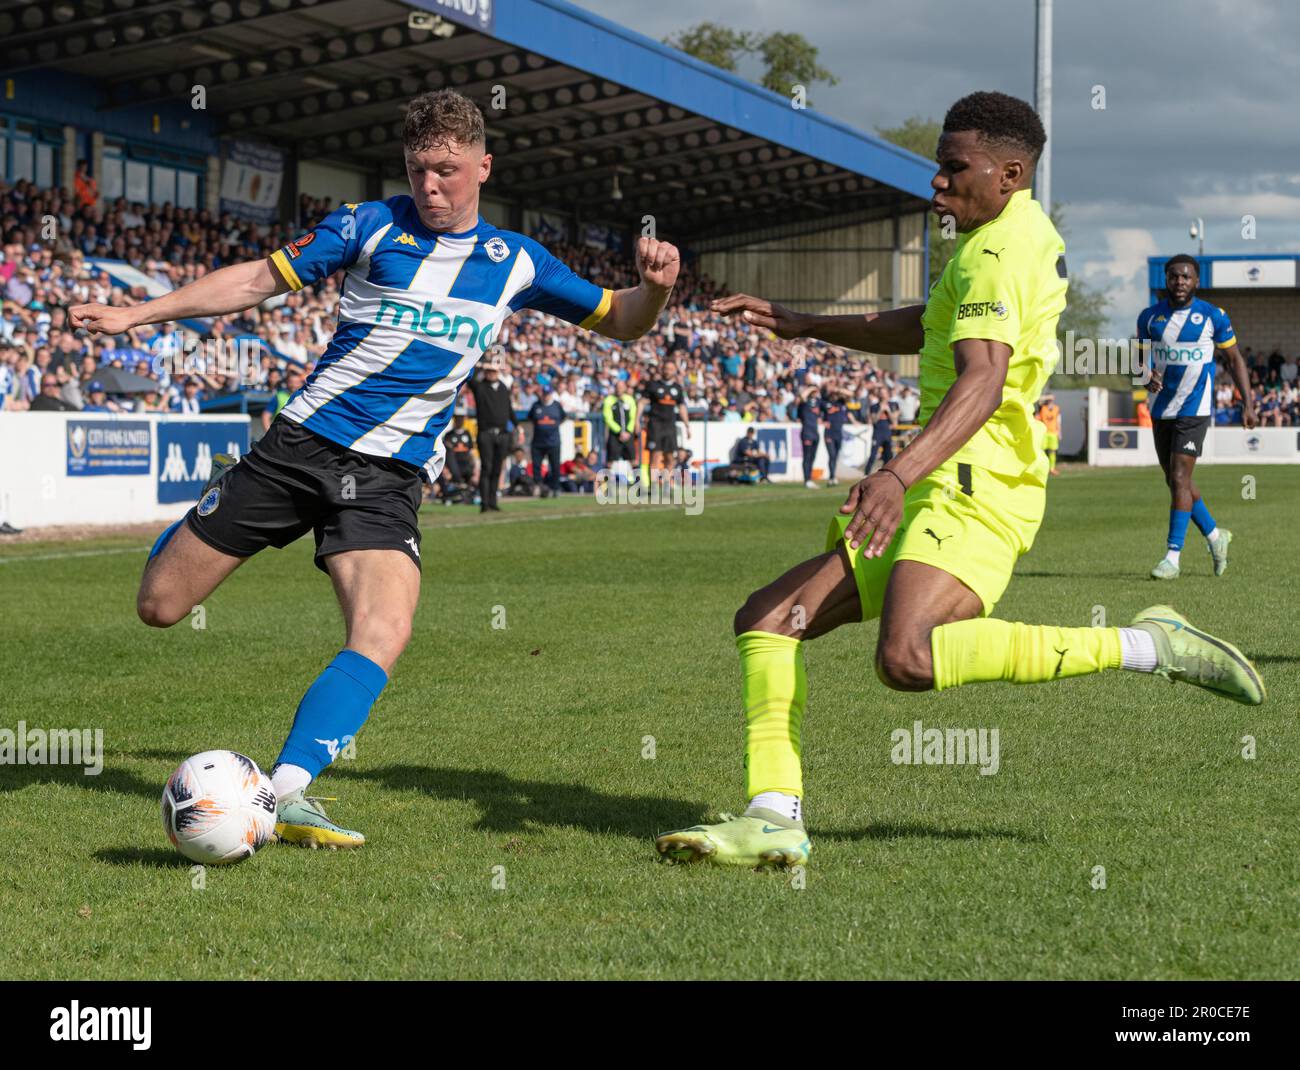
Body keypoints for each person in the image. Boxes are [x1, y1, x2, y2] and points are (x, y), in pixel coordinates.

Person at [656, 91, 1263, 869]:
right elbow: (921, 326)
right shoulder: (1004, 235)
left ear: (1009, 171)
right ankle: (773, 817)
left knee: (906, 657)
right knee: (770, 619)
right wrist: (806, 322)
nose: (936, 184)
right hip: (946, 472)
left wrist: (896, 476)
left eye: (953, 168)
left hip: (978, 481)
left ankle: (1148, 645)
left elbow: (982, 381)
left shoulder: (998, 252)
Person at [69, 88, 680, 849]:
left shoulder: (518, 262)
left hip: (388, 479)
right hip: (299, 448)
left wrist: (653, 290)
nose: (431, 186)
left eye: (448, 171)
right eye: (419, 170)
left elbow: (621, 320)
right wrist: (138, 312)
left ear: (483, 167)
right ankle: (205, 514)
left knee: (385, 628)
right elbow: (258, 280)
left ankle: (287, 793)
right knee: (159, 606)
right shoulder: (366, 226)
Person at [1138, 254, 1254, 580]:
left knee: (1178, 479)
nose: (1179, 282)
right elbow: (1137, 361)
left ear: (1196, 281)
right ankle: (1217, 537)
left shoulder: (1213, 316)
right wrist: (1145, 377)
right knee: (1177, 482)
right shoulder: (1149, 318)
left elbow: (1234, 360)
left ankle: (1172, 558)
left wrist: (1248, 403)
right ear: (1166, 279)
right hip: (1162, 409)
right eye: (1174, 277)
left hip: (1195, 410)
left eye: (1186, 277)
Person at [466, 357, 512, 512]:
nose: (491, 373)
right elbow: (470, 376)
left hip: (502, 433)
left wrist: (517, 427)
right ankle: (484, 503)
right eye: (488, 371)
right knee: (487, 468)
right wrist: (481, 364)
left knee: (497, 469)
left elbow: (509, 409)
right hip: (486, 433)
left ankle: (493, 501)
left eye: (493, 370)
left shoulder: (503, 388)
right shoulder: (481, 388)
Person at [640, 358, 689, 473]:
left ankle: (666, 485)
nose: (668, 371)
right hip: (655, 425)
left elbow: (682, 407)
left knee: (670, 457)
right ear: (662, 370)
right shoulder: (653, 385)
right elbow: (642, 402)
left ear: (675, 371)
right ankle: (653, 488)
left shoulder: (677, 388)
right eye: (666, 369)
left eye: (671, 369)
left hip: (670, 426)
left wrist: (687, 425)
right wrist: (637, 420)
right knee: (655, 456)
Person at [528, 384, 565, 498]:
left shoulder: (557, 406)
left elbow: (563, 417)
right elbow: (531, 418)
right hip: (538, 442)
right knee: (537, 467)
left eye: (548, 394)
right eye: (544, 394)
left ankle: (555, 488)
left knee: (555, 466)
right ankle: (538, 487)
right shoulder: (536, 406)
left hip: (553, 442)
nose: (545, 396)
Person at [602, 379, 638, 484]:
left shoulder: (629, 400)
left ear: (625, 388)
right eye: (617, 387)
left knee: (633, 460)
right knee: (610, 461)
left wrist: (628, 431)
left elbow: (633, 416)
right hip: (614, 435)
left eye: (621, 387)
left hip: (628, 434)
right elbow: (607, 417)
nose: (619, 389)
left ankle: (639, 486)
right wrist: (618, 431)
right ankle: (606, 486)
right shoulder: (609, 400)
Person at [820, 388, 851, 486]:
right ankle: (831, 477)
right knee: (832, 455)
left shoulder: (841, 402)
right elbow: (816, 412)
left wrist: (839, 390)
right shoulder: (825, 402)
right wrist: (821, 421)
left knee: (835, 456)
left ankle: (833, 476)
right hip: (829, 433)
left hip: (838, 433)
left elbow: (850, 394)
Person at [794, 385, 821, 488]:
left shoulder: (817, 402)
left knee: (812, 457)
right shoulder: (804, 403)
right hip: (807, 432)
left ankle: (810, 478)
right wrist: (810, 388)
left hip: (815, 433)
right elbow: (802, 396)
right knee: (807, 456)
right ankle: (807, 480)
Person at [1036, 391, 1061, 475]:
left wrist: (1059, 432)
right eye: (1049, 398)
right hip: (1044, 433)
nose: (1050, 400)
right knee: (1041, 452)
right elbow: (1038, 400)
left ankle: (1052, 469)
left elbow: (1058, 420)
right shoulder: (1042, 407)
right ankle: (1041, 468)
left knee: (1052, 451)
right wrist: (1047, 397)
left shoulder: (1056, 408)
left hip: (1053, 433)